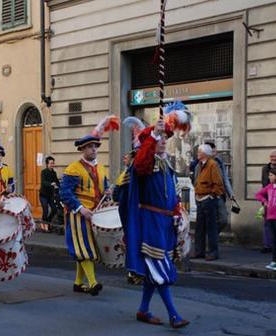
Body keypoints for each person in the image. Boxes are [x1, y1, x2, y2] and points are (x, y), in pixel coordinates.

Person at [121, 101, 191, 329]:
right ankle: (174, 315)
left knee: (154, 269)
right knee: (160, 268)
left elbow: (171, 193)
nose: (162, 142)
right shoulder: (144, 162)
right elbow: (142, 163)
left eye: (164, 139)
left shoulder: (166, 164)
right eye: (159, 139)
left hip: (165, 222)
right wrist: (153, 134)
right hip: (150, 222)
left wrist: (177, 209)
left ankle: (143, 309)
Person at [59, 115, 118, 296]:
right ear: (82, 149)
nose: (94, 149)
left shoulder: (101, 168)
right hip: (78, 215)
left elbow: (104, 186)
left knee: (84, 248)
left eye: (95, 146)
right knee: (84, 247)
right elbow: (64, 193)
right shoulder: (73, 169)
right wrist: (80, 208)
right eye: (90, 147)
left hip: (94, 213)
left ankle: (78, 283)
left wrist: (108, 193)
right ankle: (92, 283)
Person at [193, 144, 225, 261]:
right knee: (199, 227)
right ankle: (199, 251)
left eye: (199, 152)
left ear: (204, 154)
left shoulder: (212, 165)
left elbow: (218, 183)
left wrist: (211, 196)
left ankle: (212, 252)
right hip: (200, 198)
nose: (197, 154)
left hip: (208, 198)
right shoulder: (200, 165)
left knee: (211, 227)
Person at [39, 156, 59, 232]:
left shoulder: (54, 173)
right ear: (47, 164)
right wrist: (51, 184)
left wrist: (58, 185)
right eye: (51, 163)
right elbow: (43, 182)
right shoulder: (43, 172)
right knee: (45, 210)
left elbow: (57, 182)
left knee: (54, 209)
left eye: (53, 163)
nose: (52, 164)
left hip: (50, 195)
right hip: (43, 195)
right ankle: (44, 225)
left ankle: (47, 222)